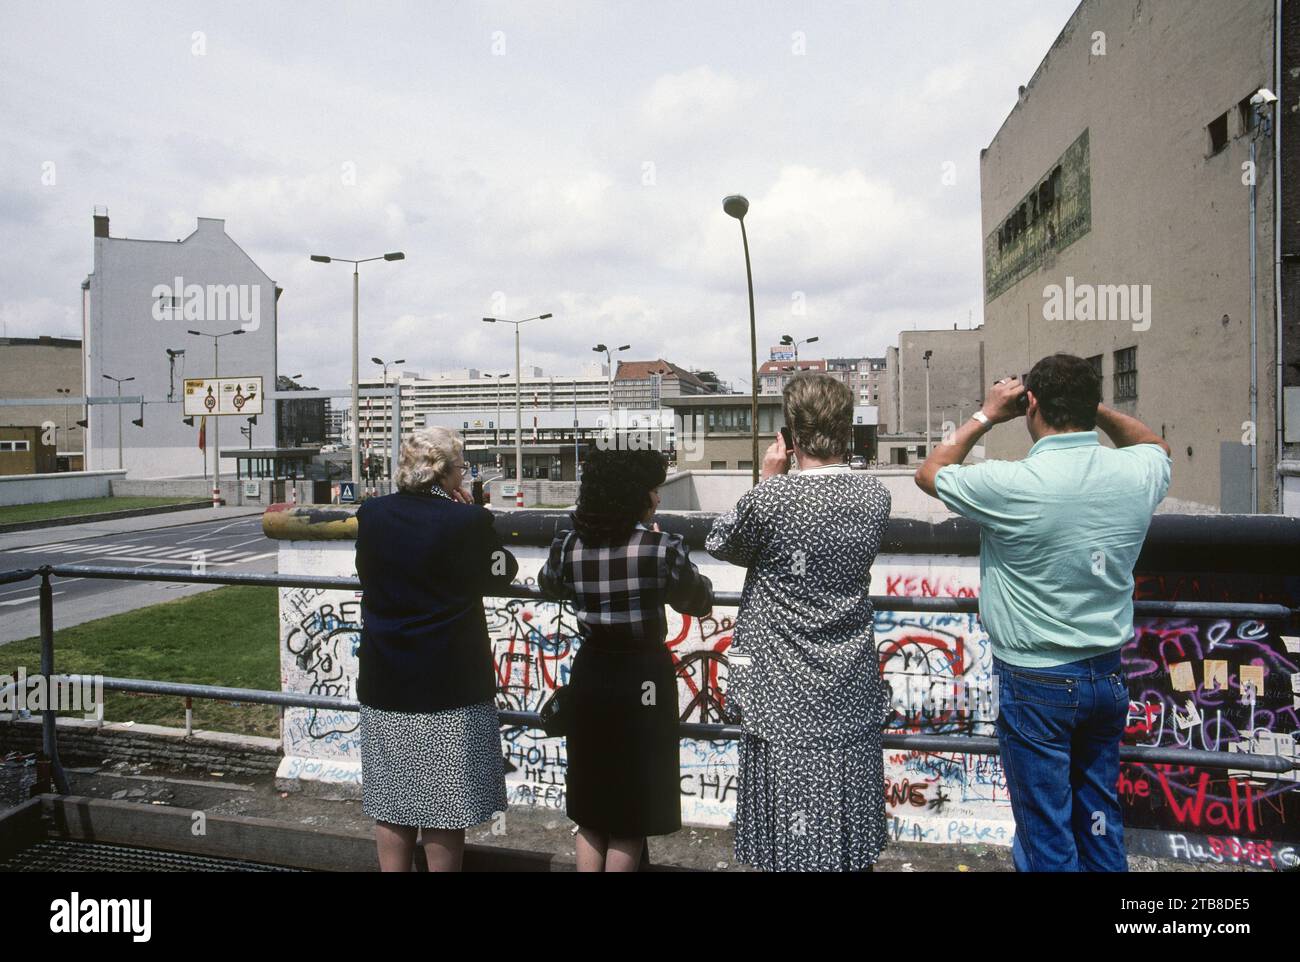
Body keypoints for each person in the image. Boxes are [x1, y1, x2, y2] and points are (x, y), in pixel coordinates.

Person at [913, 353, 1172, 872]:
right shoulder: (1135, 472)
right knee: (1099, 818)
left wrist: (988, 414)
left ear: (1030, 404)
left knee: (1045, 831)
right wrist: (1092, 409)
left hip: (1037, 684)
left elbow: (931, 472)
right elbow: (1154, 445)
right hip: (1106, 677)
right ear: (1090, 403)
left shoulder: (1011, 483)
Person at [706, 373, 893, 872]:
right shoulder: (875, 499)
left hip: (781, 697)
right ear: (847, 430)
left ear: (790, 435)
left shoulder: (771, 501)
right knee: (845, 830)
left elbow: (722, 543)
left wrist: (768, 477)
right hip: (848, 691)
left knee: (788, 843)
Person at [538, 447, 714, 871]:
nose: (657, 497)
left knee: (593, 807)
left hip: (592, 672)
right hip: (643, 679)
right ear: (636, 497)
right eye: (652, 490)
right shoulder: (659, 547)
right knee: (630, 813)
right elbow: (698, 600)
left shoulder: (569, 543)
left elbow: (548, 584)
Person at [354, 426, 519, 871]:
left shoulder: (372, 514)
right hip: (450, 683)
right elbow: (501, 572)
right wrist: (478, 518)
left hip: (386, 677)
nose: (464, 475)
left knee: (392, 803)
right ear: (446, 473)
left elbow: (369, 572)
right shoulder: (468, 521)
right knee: (445, 808)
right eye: (462, 468)